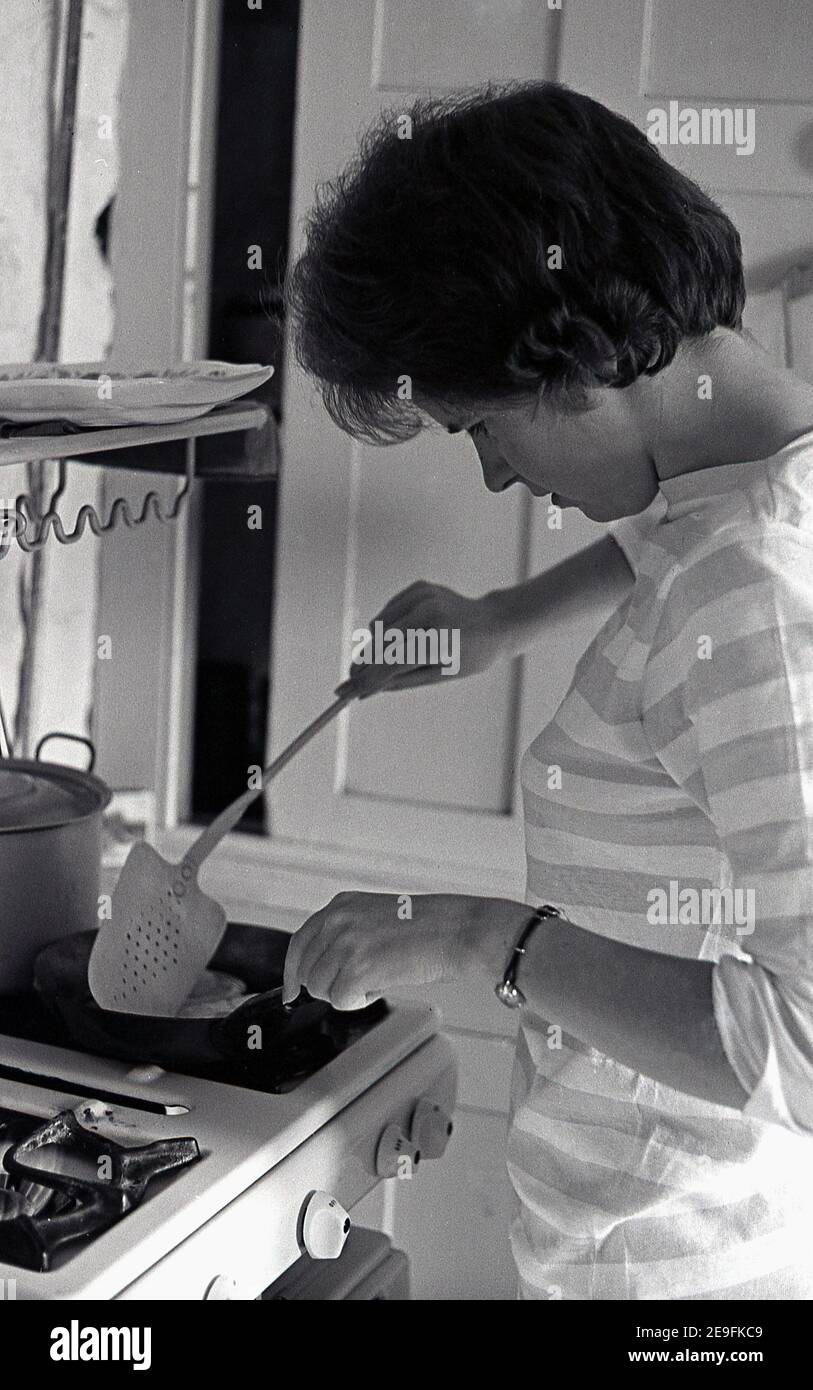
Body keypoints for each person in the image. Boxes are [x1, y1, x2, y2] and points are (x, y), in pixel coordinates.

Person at [282, 82, 813, 1299]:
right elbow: (684, 541)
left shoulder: (753, 599)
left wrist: (476, 936)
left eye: (479, 427)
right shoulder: (751, 480)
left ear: (572, 362)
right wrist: (502, 621)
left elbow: (807, 1046)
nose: (490, 476)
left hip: (685, 1284)